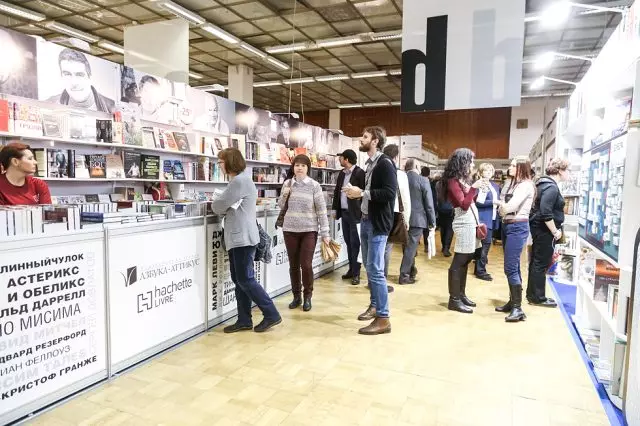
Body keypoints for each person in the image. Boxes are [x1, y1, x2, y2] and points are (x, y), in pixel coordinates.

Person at [211, 148, 281, 333]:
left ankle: (271, 313)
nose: (219, 165)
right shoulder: (240, 180)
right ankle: (244, 319)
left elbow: (218, 206)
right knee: (239, 279)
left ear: (230, 161)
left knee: (245, 279)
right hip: (239, 237)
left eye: (221, 161)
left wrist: (216, 203)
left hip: (241, 238)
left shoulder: (239, 181)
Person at [344, 126, 397, 335]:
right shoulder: (371, 164)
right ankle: (375, 305)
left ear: (375, 141)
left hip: (377, 223)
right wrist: (356, 194)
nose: (361, 138)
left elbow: (389, 193)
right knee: (368, 266)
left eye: (365, 136)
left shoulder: (385, 164)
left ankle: (383, 317)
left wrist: (362, 192)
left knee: (375, 269)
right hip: (366, 220)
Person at [279, 154, 331, 312]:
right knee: (293, 265)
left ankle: (308, 296)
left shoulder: (314, 185)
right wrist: (285, 194)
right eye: (296, 165)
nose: (299, 168)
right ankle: (296, 296)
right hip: (289, 230)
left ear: (308, 168)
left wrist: (325, 233)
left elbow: (321, 210)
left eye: (302, 165)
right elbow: (281, 205)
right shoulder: (288, 183)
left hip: (309, 230)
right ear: (293, 167)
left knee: (306, 265)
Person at [439, 148, 486, 314]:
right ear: (462, 162)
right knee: (460, 260)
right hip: (463, 222)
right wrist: (474, 188)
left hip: (470, 222)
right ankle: (454, 299)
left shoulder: (460, 179)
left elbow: (468, 201)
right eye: (471, 161)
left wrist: (473, 188)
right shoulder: (453, 181)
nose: (473, 164)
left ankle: (461, 294)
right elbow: (464, 204)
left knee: (466, 259)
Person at [494, 156, 536, 323]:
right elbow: (505, 207)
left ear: (520, 168)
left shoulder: (525, 185)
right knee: (513, 266)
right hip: (510, 226)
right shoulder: (514, 184)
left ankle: (517, 308)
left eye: (512, 165)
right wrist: (503, 208)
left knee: (510, 267)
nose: (509, 167)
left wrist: (501, 207)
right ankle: (513, 302)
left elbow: (510, 206)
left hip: (517, 227)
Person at [527, 158, 571, 308]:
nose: (569, 174)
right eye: (567, 170)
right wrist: (555, 231)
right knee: (541, 262)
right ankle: (537, 297)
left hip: (539, 229)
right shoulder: (551, 187)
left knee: (536, 262)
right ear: (560, 171)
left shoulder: (542, 183)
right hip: (545, 230)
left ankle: (532, 294)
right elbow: (546, 212)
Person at [399, 158, 436, 284]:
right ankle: (404, 275)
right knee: (411, 248)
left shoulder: (400, 178)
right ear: (416, 166)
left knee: (407, 246)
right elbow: (429, 204)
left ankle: (411, 271)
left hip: (401, 218)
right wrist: (432, 222)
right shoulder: (423, 180)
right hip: (417, 219)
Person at [332, 149, 366, 285]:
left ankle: (356, 273)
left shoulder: (360, 173)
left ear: (346, 159)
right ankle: (351, 269)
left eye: (341, 158)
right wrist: (335, 208)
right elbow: (337, 192)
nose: (339, 160)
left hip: (356, 214)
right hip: (344, 213)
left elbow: (364, 193)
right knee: (348, 242)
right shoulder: (341, 174)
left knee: (355, 243)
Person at [46, 48, 115, 113]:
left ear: (90, 77)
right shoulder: (48, 105)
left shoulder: (112, 107)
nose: (74, 82)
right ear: (61, 76)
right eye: (67, 74)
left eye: (79, 75)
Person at [382, 144, 411, 286]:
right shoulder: (400, 174)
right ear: (396, 157)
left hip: (378, 212)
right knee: (387, 247)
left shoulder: (377, 169)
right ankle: (382, 280)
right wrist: (407, 218)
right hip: (393, 213)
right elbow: (405, 198)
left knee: (377, 246)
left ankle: (375, 279)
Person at [473, 163, 501, 281]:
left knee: (484, 245)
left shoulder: (494, 185)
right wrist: (494, 202)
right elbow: (478, 202)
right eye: (486, 170)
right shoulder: (481, 184)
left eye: (491, 170)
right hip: (483, 219)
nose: (489, 172)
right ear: (481, 172)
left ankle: (479, 268)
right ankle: (480, 270)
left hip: (493, 218)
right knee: (484, 245)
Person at [434, 174, 454, 257]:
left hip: (441, 208)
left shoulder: (438, 184)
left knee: (443, 228)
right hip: (451, 209)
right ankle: (446, 248)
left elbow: (437, 196)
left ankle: (443, 247)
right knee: (449, 229)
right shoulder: (452, 184)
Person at [421, 166, 438, 252]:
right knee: (427, 228)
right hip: (428, 208)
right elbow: (433, 199)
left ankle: (420, 245)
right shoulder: (430, 184)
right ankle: (426, 246)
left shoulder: (418, 181)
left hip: (420, 209)